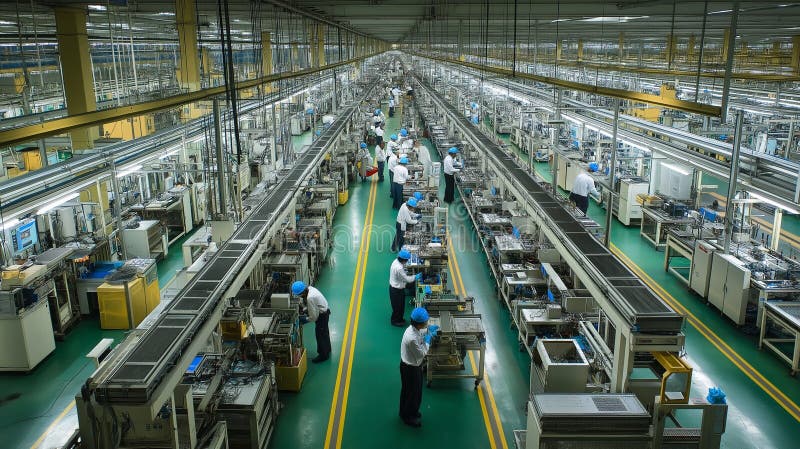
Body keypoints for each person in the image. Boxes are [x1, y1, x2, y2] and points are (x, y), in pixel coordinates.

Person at [399, 307, 439, 427]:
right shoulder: (411, 338)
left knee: (408, 392)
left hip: (409, 366)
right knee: (413, 393)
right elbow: (421, 354)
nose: (427, 323)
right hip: (411, 368)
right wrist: (428, 340)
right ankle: (409, 418)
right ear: (419, 323)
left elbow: (419, 336)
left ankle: (405, 412)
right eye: (426, 322)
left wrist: (427, 332)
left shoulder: (412, 329)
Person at [292, 281, 331, 363]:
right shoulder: (310, 288)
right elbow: (314, 306)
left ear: (302, 293)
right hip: (325, 311)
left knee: (320, 335)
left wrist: (305, 319)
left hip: (322, 316)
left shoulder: (310, 298)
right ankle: (328, 349)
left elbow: (314, 317)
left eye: (299, 294)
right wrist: (305, 309)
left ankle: (323, 355)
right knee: (324, 333)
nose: (300, 296)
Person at [389, 250, 422, 327]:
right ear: (404, 260)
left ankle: (400, 319)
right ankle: (395, 321)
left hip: (397, 287)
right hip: (396, 290)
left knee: (401, 305)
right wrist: (415, 277)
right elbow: (407, 279)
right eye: (407, 260)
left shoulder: (396, 261)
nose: (407, 261)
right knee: (397, 307)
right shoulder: (399, 268)